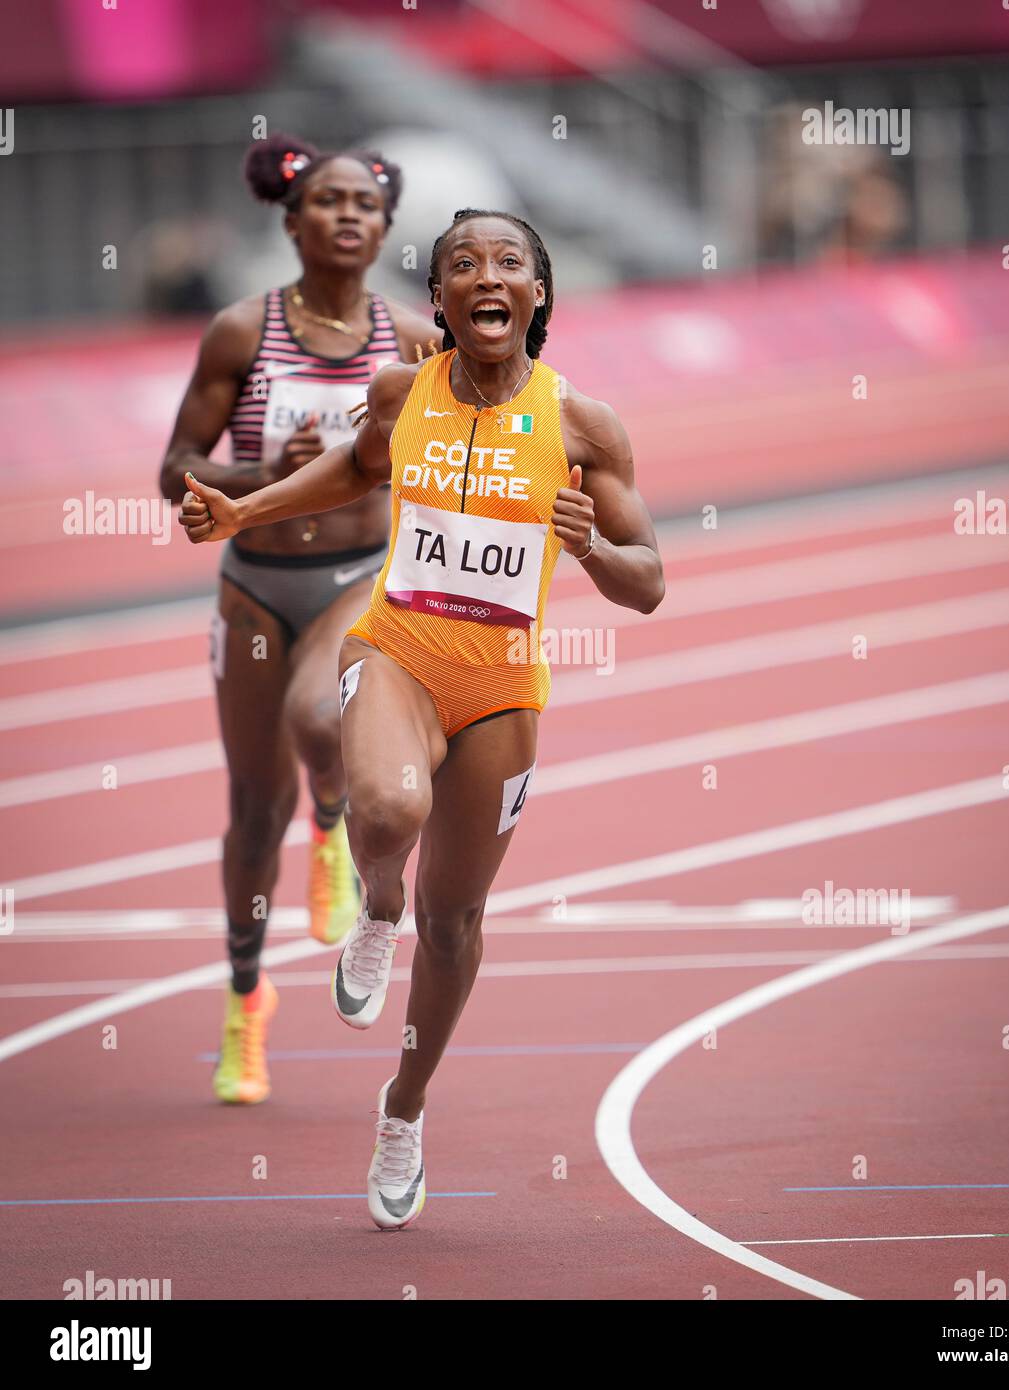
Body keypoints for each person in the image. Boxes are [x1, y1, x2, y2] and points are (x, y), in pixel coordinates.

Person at [178, 209, 665, 1226]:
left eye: (509, 264)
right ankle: (376, 903)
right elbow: (352, 470)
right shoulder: (403, 392)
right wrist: (242, 509)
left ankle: (402, 1107)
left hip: (502, 690)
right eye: (462, 266)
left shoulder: (586, 427)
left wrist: (591, 551)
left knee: (458, 923)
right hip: (395, 648)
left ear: (537, 295)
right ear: (440, 302)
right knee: (389, 809)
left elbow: (648, 583)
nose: (487, 276)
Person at [158, 133, 436, 1106]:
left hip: (359, 573)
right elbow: (174, 470)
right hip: (256, 584)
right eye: (328, 200)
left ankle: (332, 823)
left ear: (385, 224)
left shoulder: (412, 342)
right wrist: (261, 476)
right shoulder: (241, 331)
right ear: (291, 219)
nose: (348, 214)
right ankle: (245, 1003)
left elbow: (449, 461)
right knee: (247, 816)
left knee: (323, 717)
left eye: (365, 201)